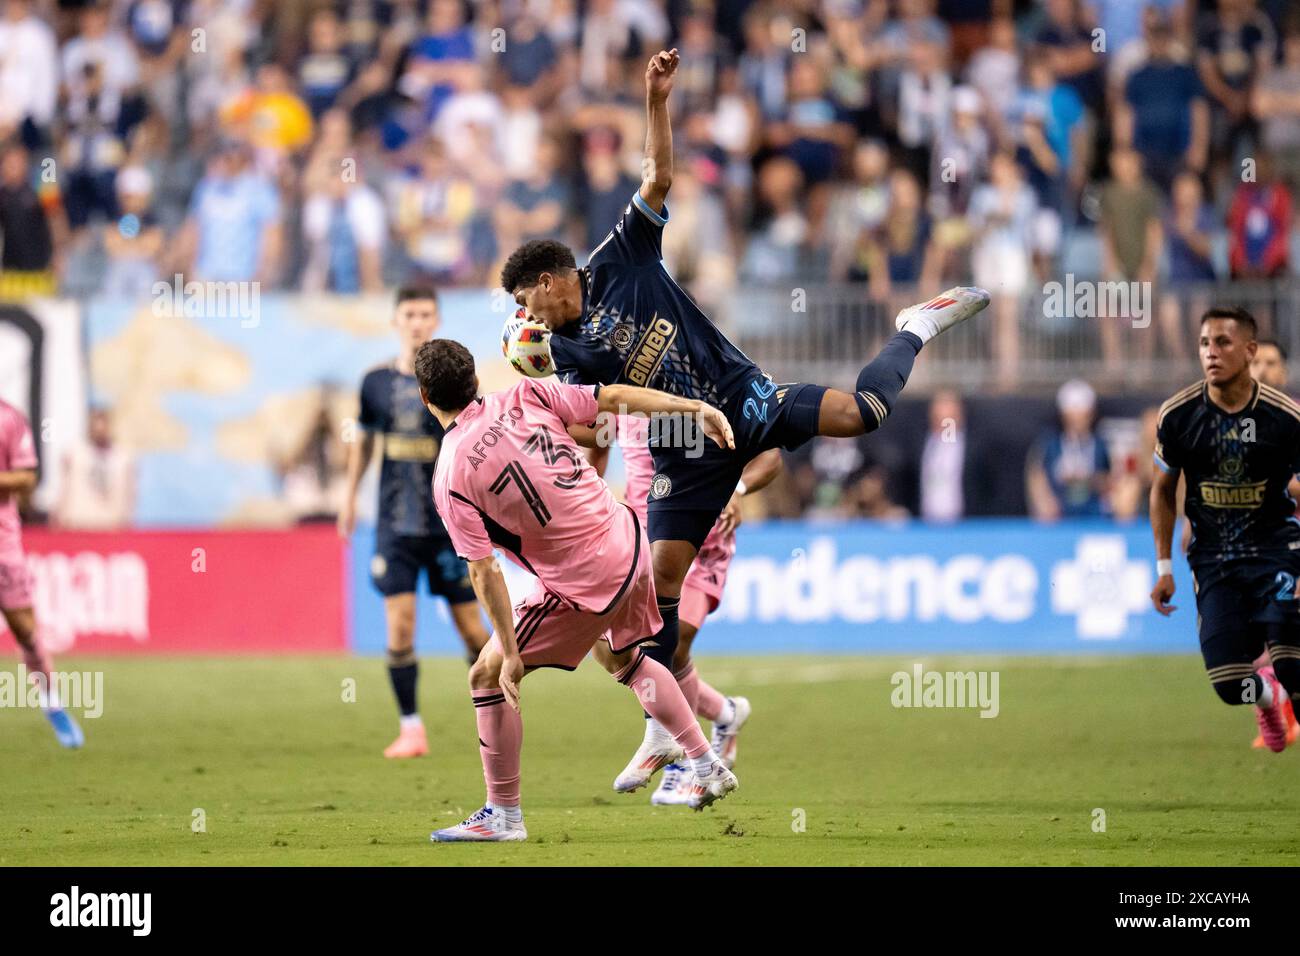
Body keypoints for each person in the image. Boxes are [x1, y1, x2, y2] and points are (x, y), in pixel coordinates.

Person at [500, 48, 989, 785]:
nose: (523, 315)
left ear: (548, 280)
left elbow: (657, 177)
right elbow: (595, 420)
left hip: (747, 402)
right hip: (682, 457)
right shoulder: (566, 354)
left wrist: (656, 99)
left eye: (524, 300)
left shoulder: (620, 258)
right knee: (651, 597)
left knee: (865, 412)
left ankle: (913, 326)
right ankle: (672, 735)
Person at [420, 340, 738, 841]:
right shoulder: (525, 395)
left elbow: (484, 571)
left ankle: (503, 817)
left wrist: (507, 650)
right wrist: (693, 406)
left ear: (425, 397)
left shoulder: (450, 473)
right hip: (629, 540)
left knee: (485, 675)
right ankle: (704, 760)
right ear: (476, 381)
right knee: (620, 657)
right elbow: (611, 400)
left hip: (584, 578)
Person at [584, 412, 782, 805]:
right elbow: (596, 448)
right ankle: (724, 713)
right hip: (644, 537)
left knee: (672, 645)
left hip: (703, 537)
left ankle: (681, 764)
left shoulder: (706, 391)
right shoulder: (623, 398)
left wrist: (738, 489)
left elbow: (770, 455)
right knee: (616, 651)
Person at [338, 287, 489, 759]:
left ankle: (495, 709)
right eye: (409, 314)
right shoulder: (374, 383)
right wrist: (348, 497)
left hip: (448, 523)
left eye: (426, 314)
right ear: (396, 320)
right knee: (399, 628)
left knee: (472, 631)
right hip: (394, 524)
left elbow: (477, 439)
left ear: (437, 319)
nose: (418, 321)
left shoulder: (453, 381)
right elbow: (364, 444)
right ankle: (411, 729)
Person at [1150, 307, 1300, 753]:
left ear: (1250, 351)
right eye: (1204, 344)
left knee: (1294, 667)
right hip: (1214, 560)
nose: (1210, 353)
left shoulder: (1284, 419)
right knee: (1230, 683)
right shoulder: (1179, 416)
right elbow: (1162, 490)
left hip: (1277, 551)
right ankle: (1269, 697)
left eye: (1222, 343)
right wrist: (1164, 566)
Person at [0, 399, 83, 748]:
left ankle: (53, 704)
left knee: (25, 630)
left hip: (3, 544)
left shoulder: (9, 417)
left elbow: (28, 476)